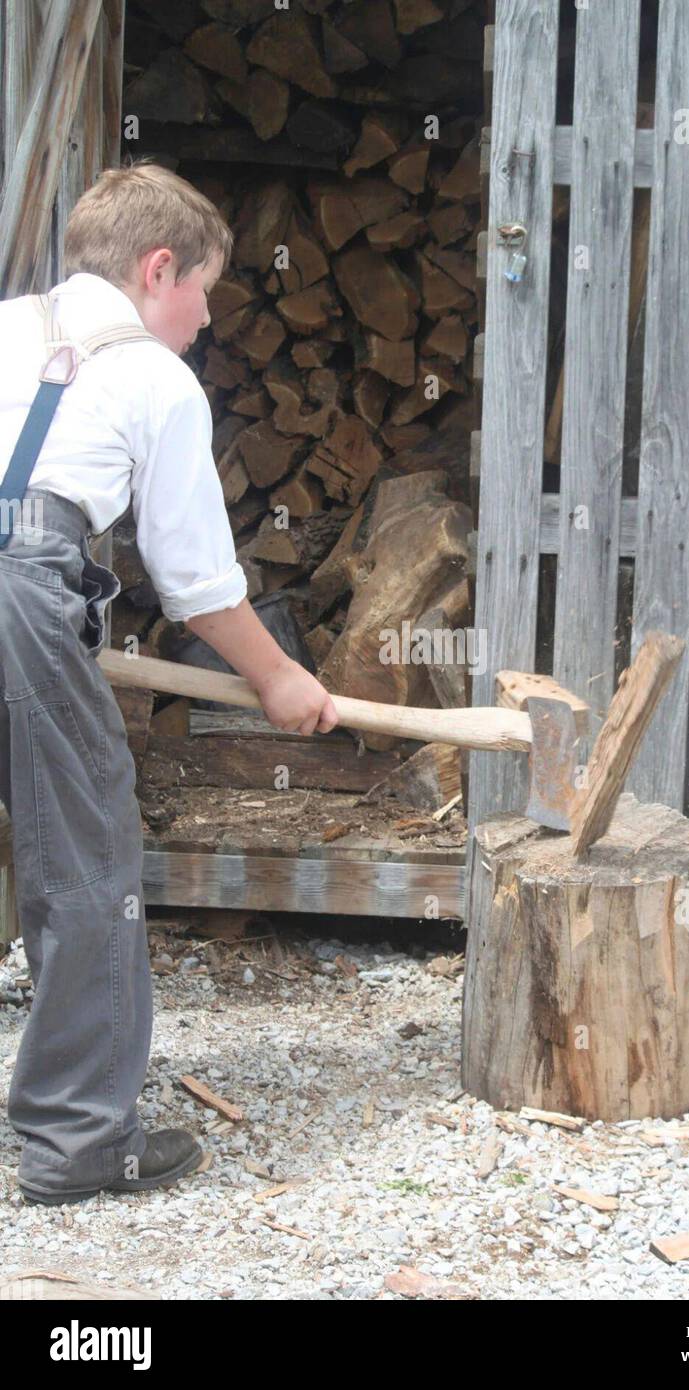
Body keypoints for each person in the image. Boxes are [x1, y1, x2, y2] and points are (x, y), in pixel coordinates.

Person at [0, 160, 338, 1206]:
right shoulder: (153, 378)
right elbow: (196, 586)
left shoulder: (8, 323)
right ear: (158, 270)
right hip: (22, 593)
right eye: (204, 289)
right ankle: (78, 1144)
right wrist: (282, 681)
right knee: (87, 868)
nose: (206, 316)